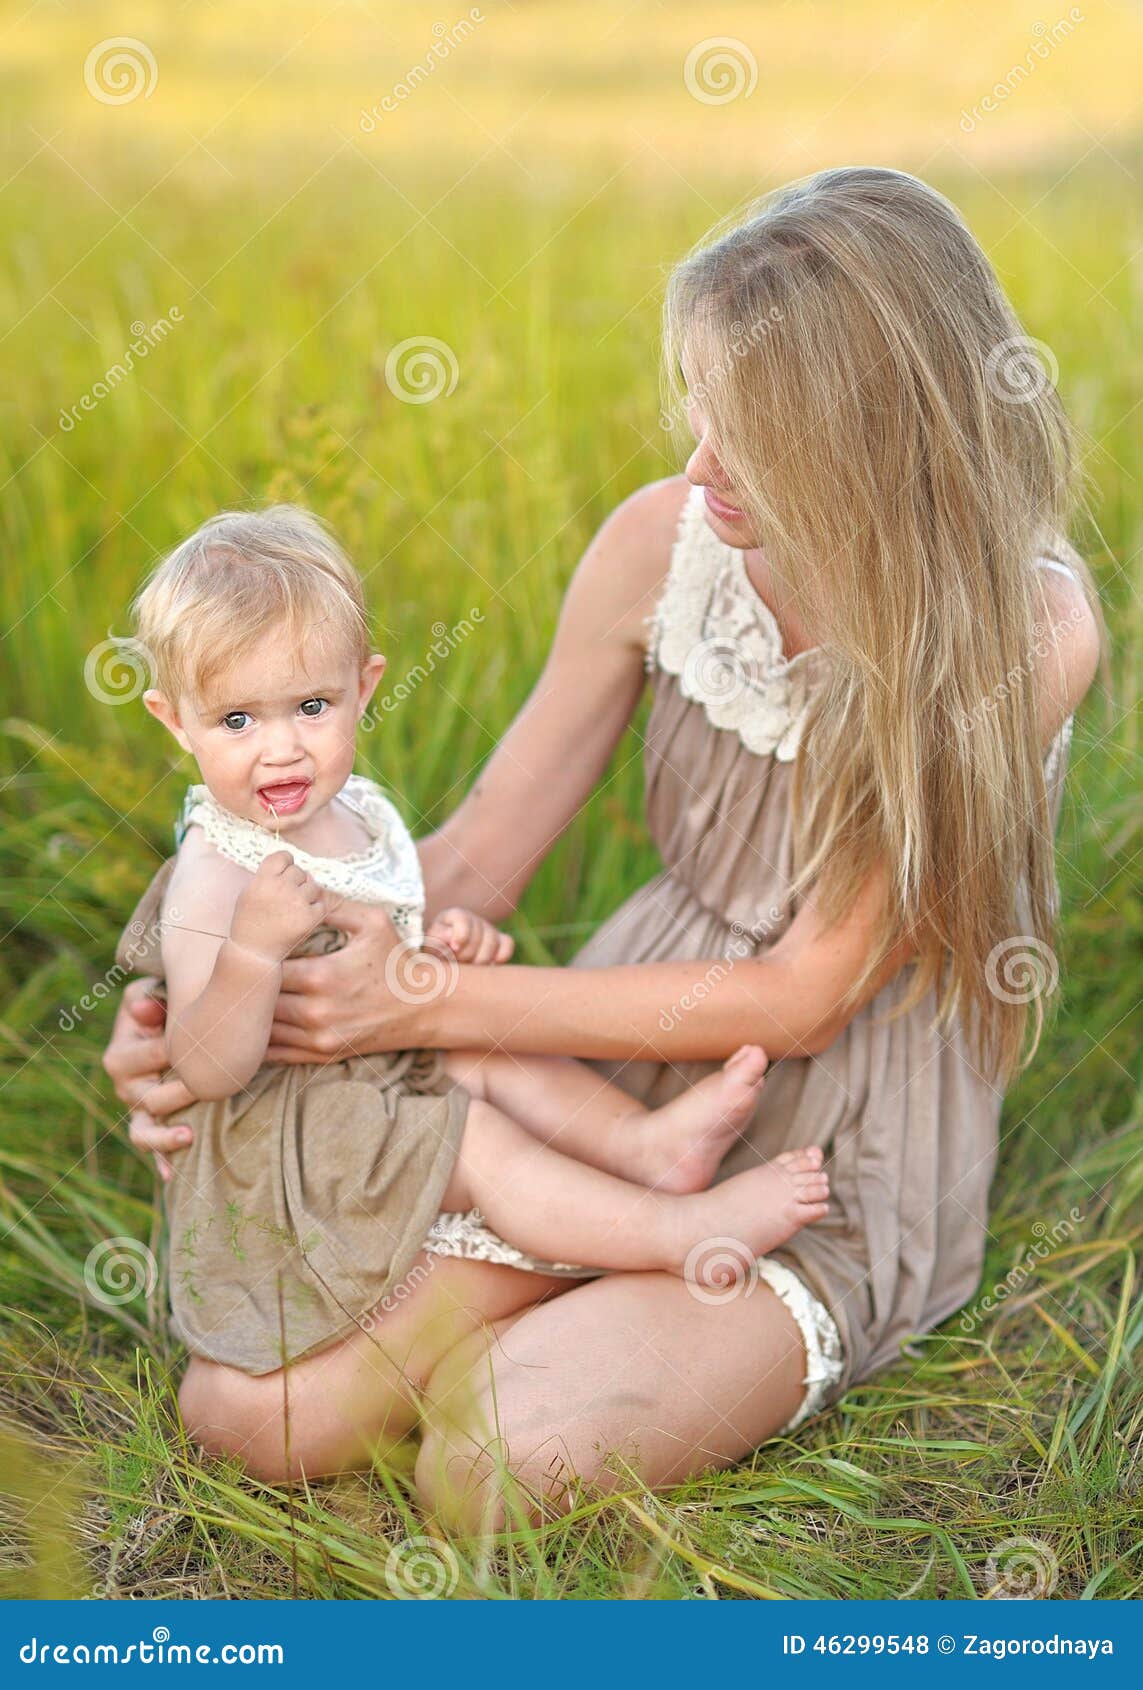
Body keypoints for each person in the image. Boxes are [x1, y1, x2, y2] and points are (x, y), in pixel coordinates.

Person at [103, 166, 1103, 1529]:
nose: (698, 465)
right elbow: (458, 869)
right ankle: (594, 1239)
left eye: (748, 436)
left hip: (840, 1127)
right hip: (603, 1061)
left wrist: (429, 1000)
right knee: (252, 1417)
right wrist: (208, 997)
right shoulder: (662, 545)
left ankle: (611, 1286)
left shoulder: (1020, 631)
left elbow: (809, 988)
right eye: (699, 407)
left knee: (489, 1464)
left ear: (875, 439)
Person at [114, 504, 830, 1377]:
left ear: (365, 687)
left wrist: (443, 947)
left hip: (368, 1073)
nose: (281, 751)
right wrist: (249, 956)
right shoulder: (216, 872)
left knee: (483, 1042)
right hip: (294, 1137)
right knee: (476, 1136)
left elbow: (385, 942)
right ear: (173, 720)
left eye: (310, 706)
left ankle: (644, 1148)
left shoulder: (351, 813)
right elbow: (207, 1068)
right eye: (236, 721)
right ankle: (673, 1232)